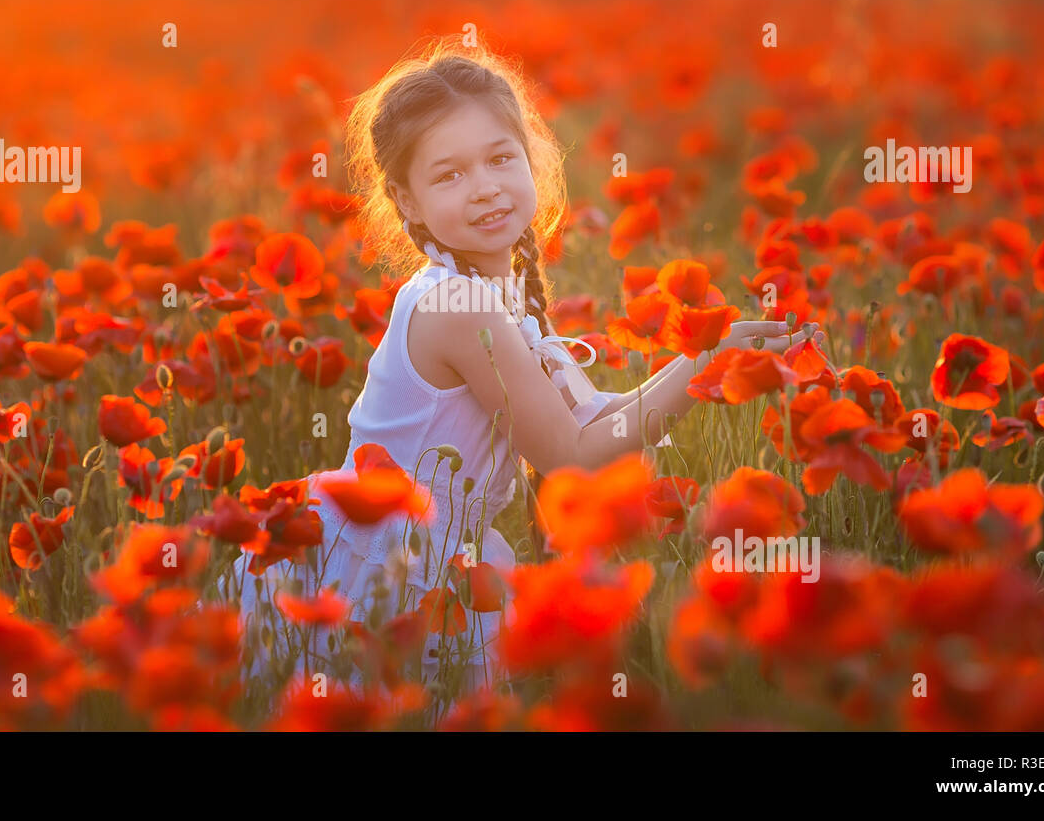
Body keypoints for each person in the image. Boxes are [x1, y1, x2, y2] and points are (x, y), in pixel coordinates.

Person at [217, 36, 823, 696]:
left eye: (500, 158)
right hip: (395, 566)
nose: (484, 188)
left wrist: (718, 353)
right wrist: (704, 366)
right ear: (407, 200)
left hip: (429, 553)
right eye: (449, 175)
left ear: (531, 158)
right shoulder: (459, 306)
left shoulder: (487, 293)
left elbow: (588, 418)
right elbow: (572, 455)